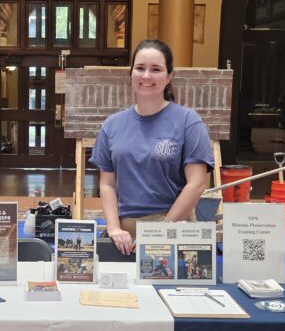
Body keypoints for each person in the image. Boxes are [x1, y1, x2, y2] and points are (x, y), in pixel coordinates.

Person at [90, 39, 213, 255]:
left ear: (168, 77)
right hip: (125, 235)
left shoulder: (187, 121)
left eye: (156, 69)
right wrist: (113, 228)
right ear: (131, 74)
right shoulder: (112, 125)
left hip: (174, 227)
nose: (146, 76)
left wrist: (161, 233)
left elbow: (196, 184)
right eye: (140, 68)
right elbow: (107, 184)